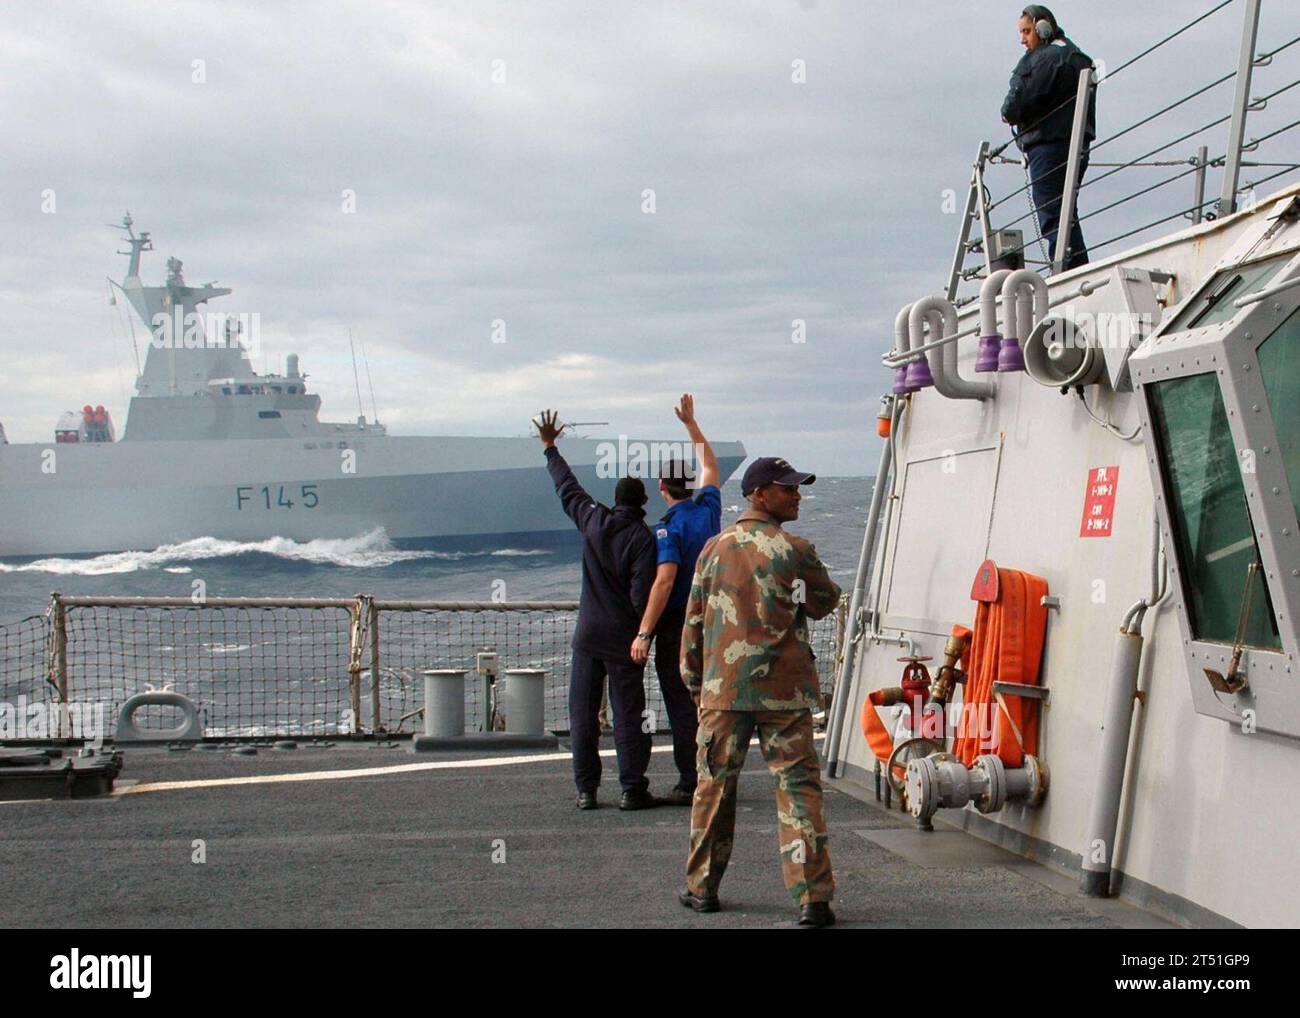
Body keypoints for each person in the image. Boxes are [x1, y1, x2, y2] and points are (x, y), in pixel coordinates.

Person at [676, 457, 842, 928]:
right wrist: (795, 601)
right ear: (760, 494)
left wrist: (694, 682)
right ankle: (813, 899)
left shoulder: (713, 549)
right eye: (788, 489)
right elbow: (827, 601)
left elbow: (693, 621)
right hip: (785, 694)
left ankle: (702, 888)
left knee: (714, 787)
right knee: (798, 790)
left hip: (723, 692)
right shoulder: (796, 550)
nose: (797, 495)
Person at [534, 409, 659, 811]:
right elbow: (642, 594)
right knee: (628, 715)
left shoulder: (592, 520)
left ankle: (586, 790)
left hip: (587, 637)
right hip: (624, 641)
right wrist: (645, 633)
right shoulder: (643, 539)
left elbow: (567, 489)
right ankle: (631, 789)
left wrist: (551, 448)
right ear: (642, 503)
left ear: (614, 500)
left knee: (583, 717)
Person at [630, 394, 722, 806]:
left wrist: (644, 632)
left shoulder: (668, 529)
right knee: (711, 700)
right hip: (716, 624)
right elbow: (711, 465)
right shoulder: (708, 509)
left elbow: (664, 581)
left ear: (662, 488)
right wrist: (691, 425)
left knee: (682, 703)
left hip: (679, 629)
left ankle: (690, 781)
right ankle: (716, 773)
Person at [1001, 4, 1095, 271]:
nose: (1023, 40)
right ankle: (1077, 267)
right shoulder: (1079, 57)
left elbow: (1012, 107)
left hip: (1047, 146)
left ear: (1043, 28)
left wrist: (1026, 64)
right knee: (1067, 212)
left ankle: (1066, 270)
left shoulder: (1043, 59)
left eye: (1027, 31)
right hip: (1077, 145)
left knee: (1051, 212)